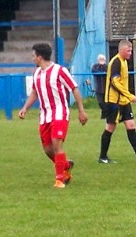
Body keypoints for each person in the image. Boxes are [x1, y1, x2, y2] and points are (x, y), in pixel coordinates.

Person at [17, 42, 88, 188]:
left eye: (33, 56)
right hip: (44, 115)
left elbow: (74, 88)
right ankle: (66, 165)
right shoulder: (37, 73)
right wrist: (25, 108)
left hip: (60, 113)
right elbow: (35, 93)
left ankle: (59, 180)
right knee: (48, 150)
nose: (32, 59)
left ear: (40, 57)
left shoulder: (59, 71)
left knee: (56, 144)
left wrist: (81, 110)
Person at [99, 40, 136, 163]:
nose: (130, 53)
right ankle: (102, 157)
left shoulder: (124, 62)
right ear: (121, 50)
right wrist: (130, 96)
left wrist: (127, 98)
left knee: (131, 125)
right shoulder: (116, 62)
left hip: (124, 101)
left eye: (131, 50)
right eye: (128, 51)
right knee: (110, 127)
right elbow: (115, 82)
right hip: (114, 102)